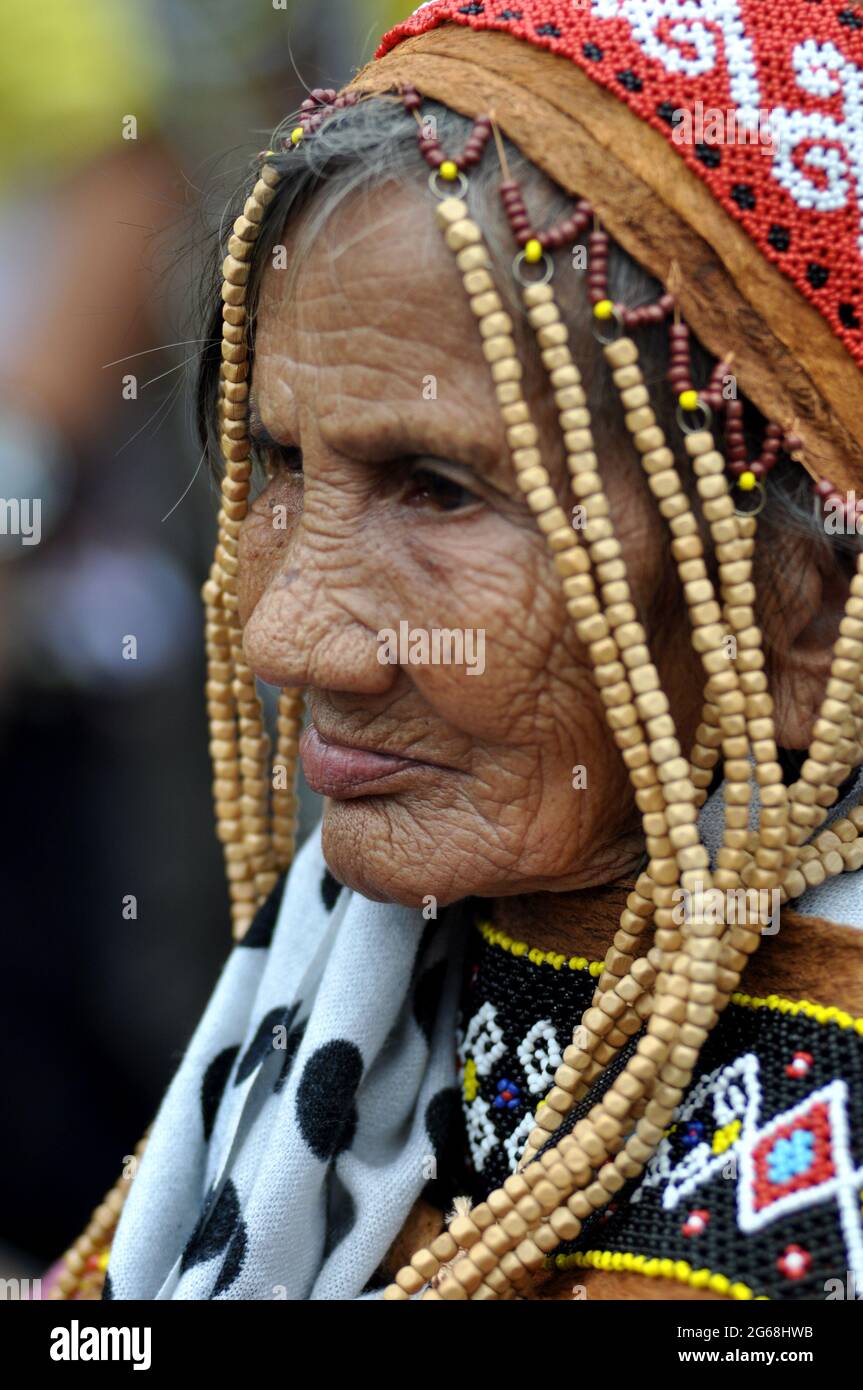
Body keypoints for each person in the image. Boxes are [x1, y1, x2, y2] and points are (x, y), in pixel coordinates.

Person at [52, 0, 863, 1301]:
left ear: (808, 605)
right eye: (277, 464)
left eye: (436, 489)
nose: (286, 633)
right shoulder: (360, 955)